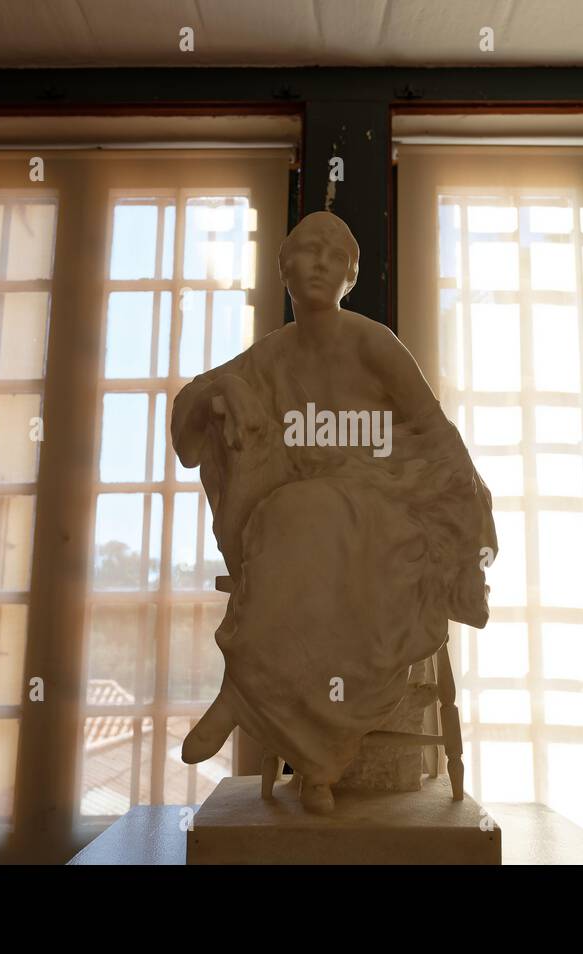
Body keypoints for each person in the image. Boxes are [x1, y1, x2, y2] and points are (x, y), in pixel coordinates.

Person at [172, 211, 495, 813]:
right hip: (306, 514)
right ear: (283, 268)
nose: (320, 262)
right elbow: (190, 416)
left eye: (335, 255)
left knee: (298, 521)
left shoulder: (373, 341)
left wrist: (463, 502)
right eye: (307, 250)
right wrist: (227, 390)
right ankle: (310, 758)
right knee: (283, 528)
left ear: (350, 275)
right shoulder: (270, 355)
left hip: (387, 504)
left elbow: (432, 427)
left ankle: (246, 699)